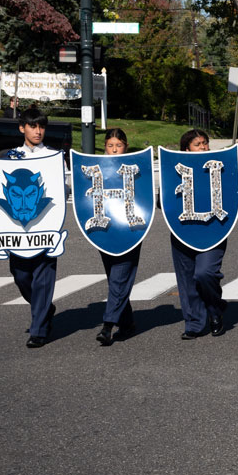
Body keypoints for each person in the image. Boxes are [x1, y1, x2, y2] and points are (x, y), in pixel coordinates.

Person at [170, 128, 229, 340]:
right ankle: (194, 323)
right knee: (186, 279)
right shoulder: (174, 168)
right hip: (182, 230)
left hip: (213, 228)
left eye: (205, 143)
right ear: (187, 149)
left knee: (205, 273)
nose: (203, 147)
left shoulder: (218, 167)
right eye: (198, 144)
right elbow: (164, 200)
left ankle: (215, 311)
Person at [6, 107, 58, 348]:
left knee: (43, 277)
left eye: (41, 127)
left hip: (46, 227)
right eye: (33, 126)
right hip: (17, 229)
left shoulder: (54, 155)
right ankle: (44, 307)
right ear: (22, 128)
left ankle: (39, 330)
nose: (38, 131)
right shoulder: (11, 156)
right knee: (21, 276)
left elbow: (62, 188)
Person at [95, 128, 140, 346]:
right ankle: (127, 321)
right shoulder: (97, 167)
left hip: (130, 229)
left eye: (118, 145)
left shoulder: (136, 165)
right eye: (110, 145)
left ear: (126, 145)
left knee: (120, 275)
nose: (114, 150)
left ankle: (107, 325)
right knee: (115, 276)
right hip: (104, 228)